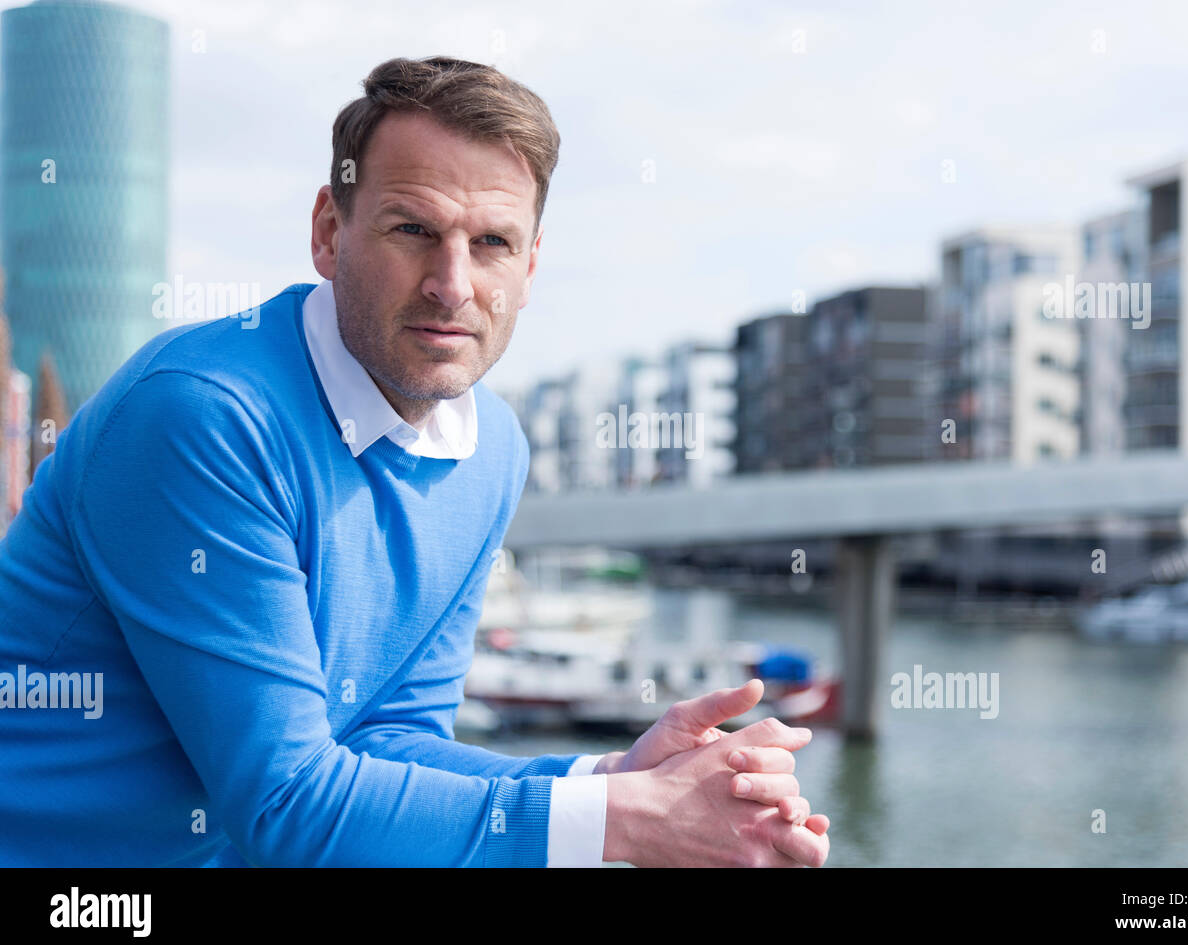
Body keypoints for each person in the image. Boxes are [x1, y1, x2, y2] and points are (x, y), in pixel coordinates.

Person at [0, 55, 830, 867]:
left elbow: (388, 742)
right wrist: (625, 822)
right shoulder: (204, 415)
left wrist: (610, 776)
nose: (452, 283)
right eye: (414, 230)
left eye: (493, 242)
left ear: (530, 266)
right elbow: (286, 804)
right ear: (330, 232)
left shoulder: (491, 449)